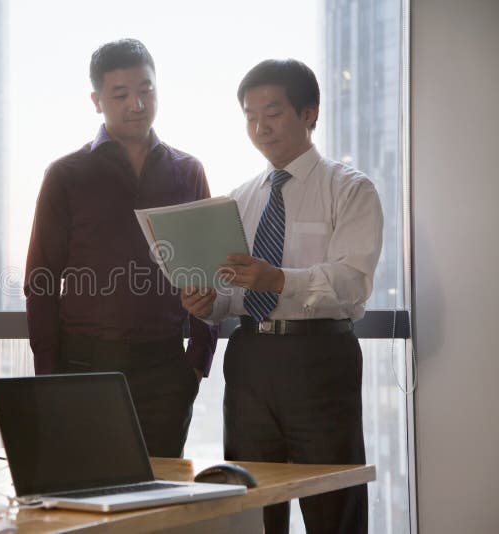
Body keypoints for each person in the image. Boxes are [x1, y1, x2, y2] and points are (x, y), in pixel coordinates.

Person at [181, 59, 382, 533]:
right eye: (250, 116)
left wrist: (279, 280)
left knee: (333, 503)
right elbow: (232, 293)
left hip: (320, 357)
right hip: (250, 359)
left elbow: (353, 281)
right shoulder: (239, 199)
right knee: (253, 505)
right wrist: (210, 305)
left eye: (272, 113)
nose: (259, 127)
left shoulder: (349, 189)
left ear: (309, 113)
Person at [24, 38, 217, 458]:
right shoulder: (65, 175)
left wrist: (197, 360)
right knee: (91, 498)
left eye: (146, 90)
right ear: (97, 100)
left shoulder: (188, 171)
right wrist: (50, 378)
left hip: (167, 371)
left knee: (159, 507)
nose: (137, 104)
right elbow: (40, 282)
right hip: (84, 370)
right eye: (121, 94)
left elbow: (208, 272)